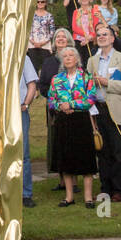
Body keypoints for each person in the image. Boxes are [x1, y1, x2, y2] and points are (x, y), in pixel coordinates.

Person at [86, 24, 121, 201]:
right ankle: (105, 187)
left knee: (116, 151)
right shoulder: (92, 60)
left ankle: (118, 189)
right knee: (102, 151)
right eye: (98, 35)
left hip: (117, 109)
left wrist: (107, 83)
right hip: (98, 110)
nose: (101, 37)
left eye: (105, 34)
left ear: (113, 38)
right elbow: (88, 87)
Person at [47, 46, 97, 208]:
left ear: (77, 59)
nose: (68, 58)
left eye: (71, 55)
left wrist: (72, 104)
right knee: (66, 159)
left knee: (86, 159)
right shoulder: (57, 79)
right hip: (64, 121)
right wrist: (61, 105)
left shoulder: (86, 77)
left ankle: (88, 197)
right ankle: (69, 196)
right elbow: (50, 100)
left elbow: (91, 99)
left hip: (81, 120)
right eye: (65, 56)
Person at [39, 28, 77, 190]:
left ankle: (74, 181)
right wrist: (57, 99)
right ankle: (62, 180)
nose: (60, 39)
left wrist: (70, 102)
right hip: (55, 109)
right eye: (57, 37)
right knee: (57, 142)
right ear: (54, 42)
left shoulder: (75, 58)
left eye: (64, 37)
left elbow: (80, 82)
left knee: (73, 143)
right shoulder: (49, 62)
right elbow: (43, 85)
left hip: (74, 108)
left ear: (69, 40)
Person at [20, 54, 38, 208]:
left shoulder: (23, 57)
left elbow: (31, 84)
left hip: (19, 110)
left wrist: (25, 104)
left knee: (23, 153)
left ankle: (25, 194)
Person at [71, 0, 101, 67]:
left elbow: (96, 26)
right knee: (79, 61)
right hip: (78, 40)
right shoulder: (76, 12)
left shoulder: (94, 11)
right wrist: (85, 36)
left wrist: (90, 37)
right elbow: (74, 27)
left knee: (90, 61)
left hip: (91, 40)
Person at [28, 0, 55, 77]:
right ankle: (34, 88)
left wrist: (43, 42)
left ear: (46, 3)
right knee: (33, 67)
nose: (40, 3)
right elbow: (27, 29)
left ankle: (43, 87)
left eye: (42, 1)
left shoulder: (49, 16)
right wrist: (33, 42)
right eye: (38, 1)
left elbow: (52, 31)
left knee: (45, 67)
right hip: (32, 44)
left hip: (45, 45)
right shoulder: (31, 14)